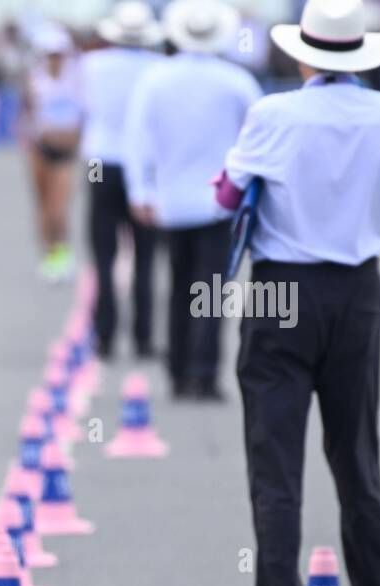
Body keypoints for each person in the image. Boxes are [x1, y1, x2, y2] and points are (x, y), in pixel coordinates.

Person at [215, 0, 380, 586]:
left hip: (282, 285)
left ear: (304, 54)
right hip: (357, 290)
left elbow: (226, 194)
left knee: (274, 458)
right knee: (357, 453)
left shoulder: (274, 114)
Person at [123, 0, 260, 399]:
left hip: (170, 202)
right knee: (212, 292)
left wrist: (140, 191)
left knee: (179, 285)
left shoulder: (155, 79)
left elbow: (137, 140)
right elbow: (257, 139)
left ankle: (178, 369)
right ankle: (203, 371)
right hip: (221, 202)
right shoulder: (238, 81)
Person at [80, 1, 164, 359]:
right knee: (145, 256)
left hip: (103, 161)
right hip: (144, 165)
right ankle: (143, 338)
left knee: (103, 254)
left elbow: (82, 108)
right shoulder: (159, 68)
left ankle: (105, 335)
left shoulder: (91, 65)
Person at [23, 22, 82, 283]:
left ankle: (62, 251)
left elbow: (85, 113)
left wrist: (75, 137)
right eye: (50, 54)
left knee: (59, 205)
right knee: (43, 204)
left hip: (66, 150)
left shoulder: (77, 78)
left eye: (58, 54)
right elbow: (29, 112)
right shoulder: (35, 79)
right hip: (40, 147)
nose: (54, 59)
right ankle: (48, 253)